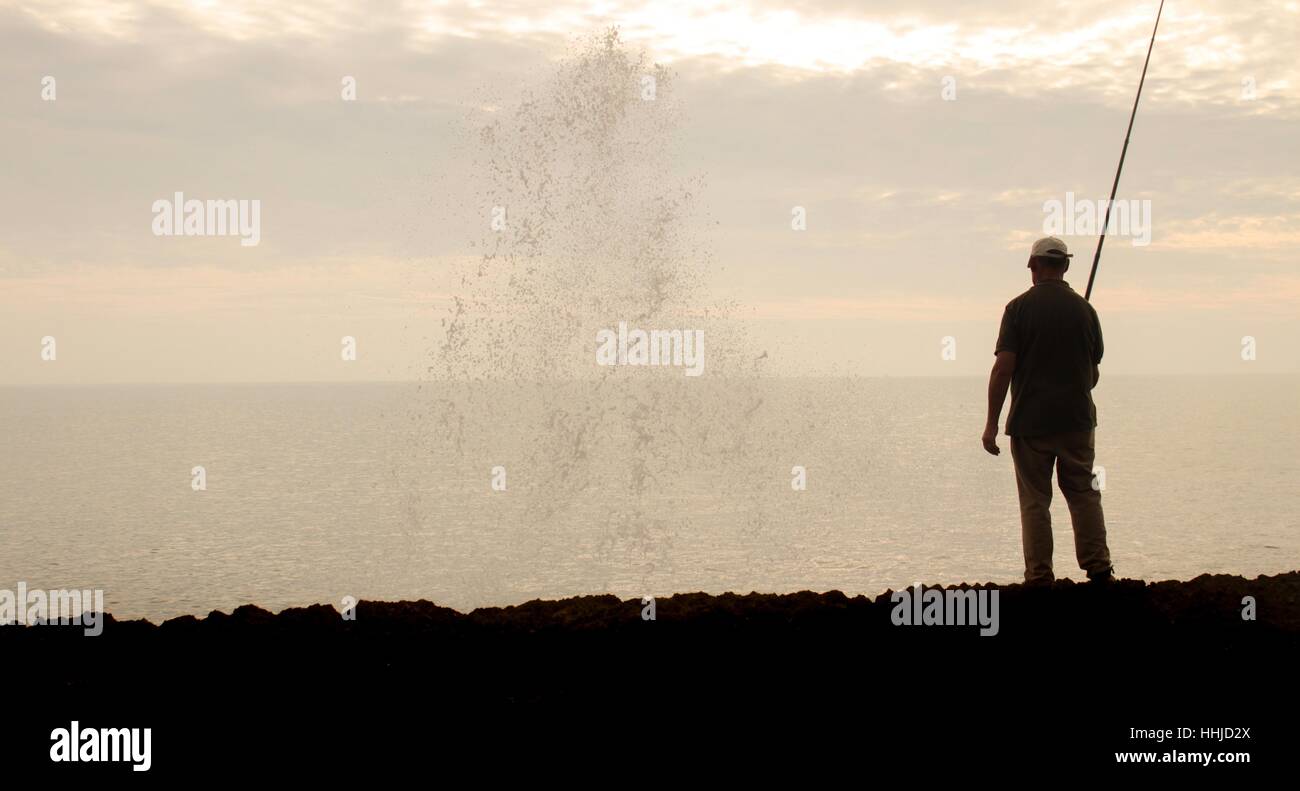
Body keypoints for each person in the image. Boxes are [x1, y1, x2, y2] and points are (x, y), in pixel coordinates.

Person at [982, 236, 1114, 585]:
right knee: (1084, 494)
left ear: (1033, 267)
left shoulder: (1017, 310)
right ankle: (1099, 569)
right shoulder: (1086, 311)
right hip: (1077, 422)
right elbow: (1093, 374)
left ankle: (1040, 577)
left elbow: (1003, 368)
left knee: (1035, 501)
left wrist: (991, 425)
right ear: (1066, 266)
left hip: (1030, 424)